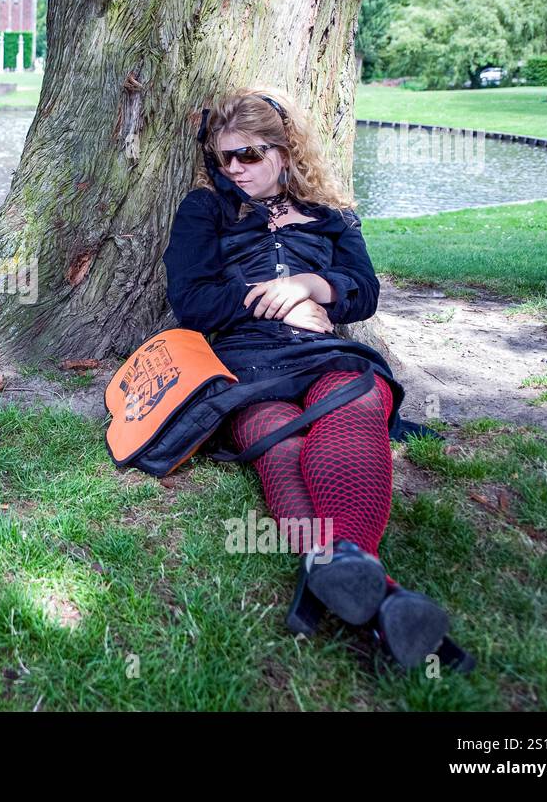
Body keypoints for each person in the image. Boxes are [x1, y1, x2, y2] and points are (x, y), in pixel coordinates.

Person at [162, 86, 466, 671]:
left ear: (283, 150)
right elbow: (191, 300)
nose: (234, 169)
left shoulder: (332, 216)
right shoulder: (205, 210)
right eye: (223, 158)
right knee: (279, 439)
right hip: (245, 363)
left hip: (327, 355)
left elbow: (364, 291)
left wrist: (313, 286)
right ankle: (382, 598)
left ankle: (339, 566)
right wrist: (270, 300)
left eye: (248, 155)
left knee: (352, 405)